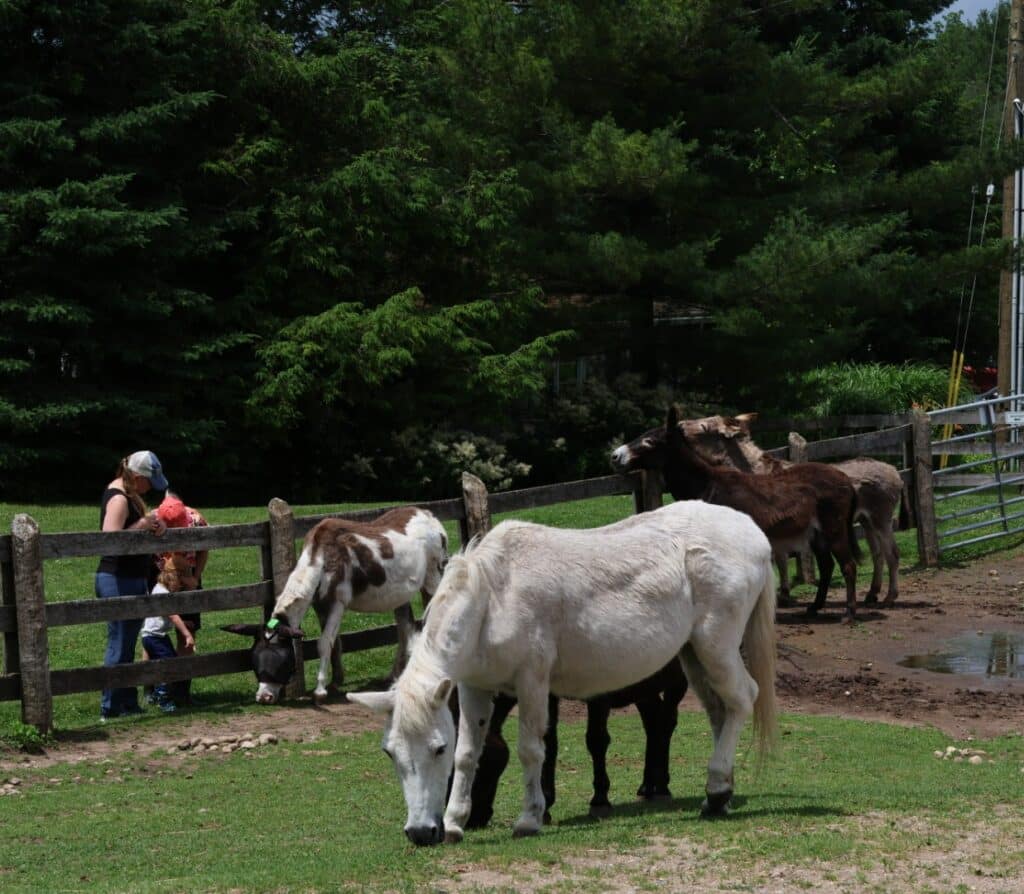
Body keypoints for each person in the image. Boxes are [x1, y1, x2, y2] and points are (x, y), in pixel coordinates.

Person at [95, 450, 169, 721]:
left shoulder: (130, 495)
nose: (150, 487)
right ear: (137, 477)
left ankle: (126, 702)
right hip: (117, 577)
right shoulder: (118, 498)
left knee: (126, 644)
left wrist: (153, 527)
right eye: (148, 481)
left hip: (131, 576)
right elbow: (109, 540)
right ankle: (110, 707)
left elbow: (136, 530)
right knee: (118, 641)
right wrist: (141, 524)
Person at [153, 492, 208, 705]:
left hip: (189, 578)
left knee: (188, 629)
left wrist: (195, 577)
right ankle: (154, 689)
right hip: (162, 579)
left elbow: (204, 550)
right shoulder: (153, 520)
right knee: (155, 631)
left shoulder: (196, 520)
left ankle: (182, 689)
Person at [141, 576, 195, 713]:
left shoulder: (158, 588)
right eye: (179, 585)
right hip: (155, 637)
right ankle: (163, 699)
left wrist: (185, 624)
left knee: (162, 664)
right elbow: (172, 615)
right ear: (172, 580)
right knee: (169, 665)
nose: (179, 589)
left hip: (153, 636)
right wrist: (187, 634)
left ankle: (156, 694)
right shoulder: (163, 594)